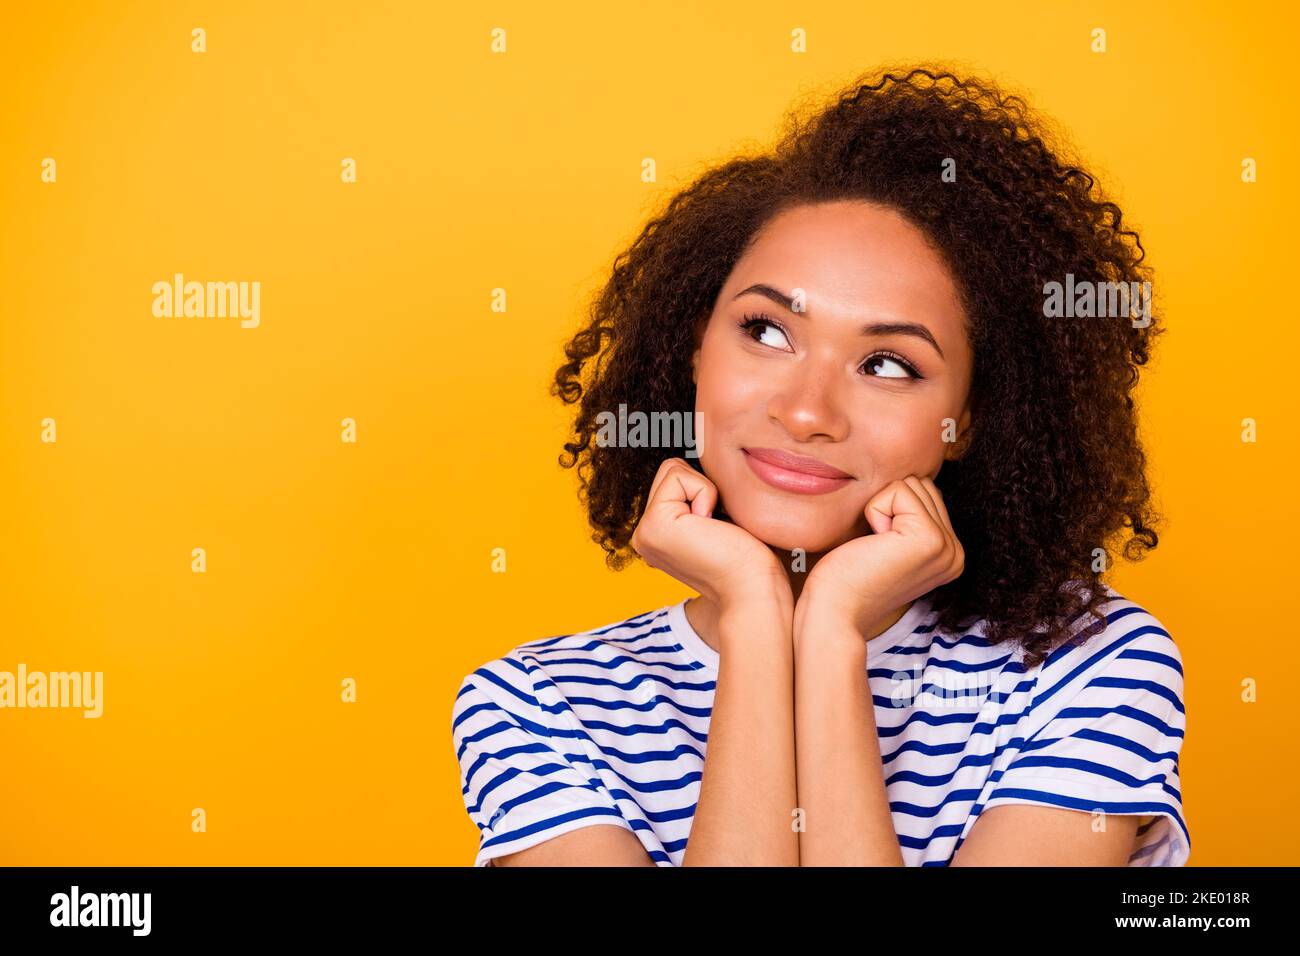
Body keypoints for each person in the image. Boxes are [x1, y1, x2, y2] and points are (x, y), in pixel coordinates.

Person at [451, 65, 1186, 866]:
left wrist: (831, 634)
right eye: (767, 332)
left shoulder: (1085, 667)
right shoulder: (536, 707)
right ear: (694, 348)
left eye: (888, 365)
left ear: (969, 420)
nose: (806, 413)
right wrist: (758, 619)